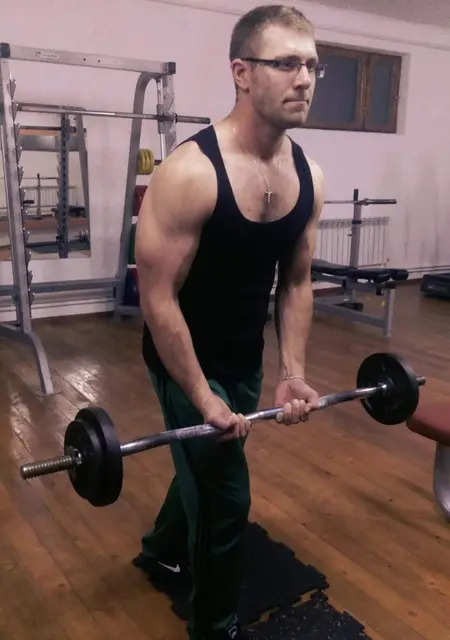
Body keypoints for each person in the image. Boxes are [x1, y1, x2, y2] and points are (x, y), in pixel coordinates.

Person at [133, 5, 326, 639]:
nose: (305, 79)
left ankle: (162, 546)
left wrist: (292, 371)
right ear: (242, 73)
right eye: (287, 63)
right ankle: (214, 626)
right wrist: (200, 395)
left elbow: (295, 283)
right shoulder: (189, 173)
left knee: (209, 459)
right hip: (182, 357)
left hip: (244, 355)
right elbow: (158, 299)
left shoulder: (308, 175)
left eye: (312, 65)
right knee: (226, 501)